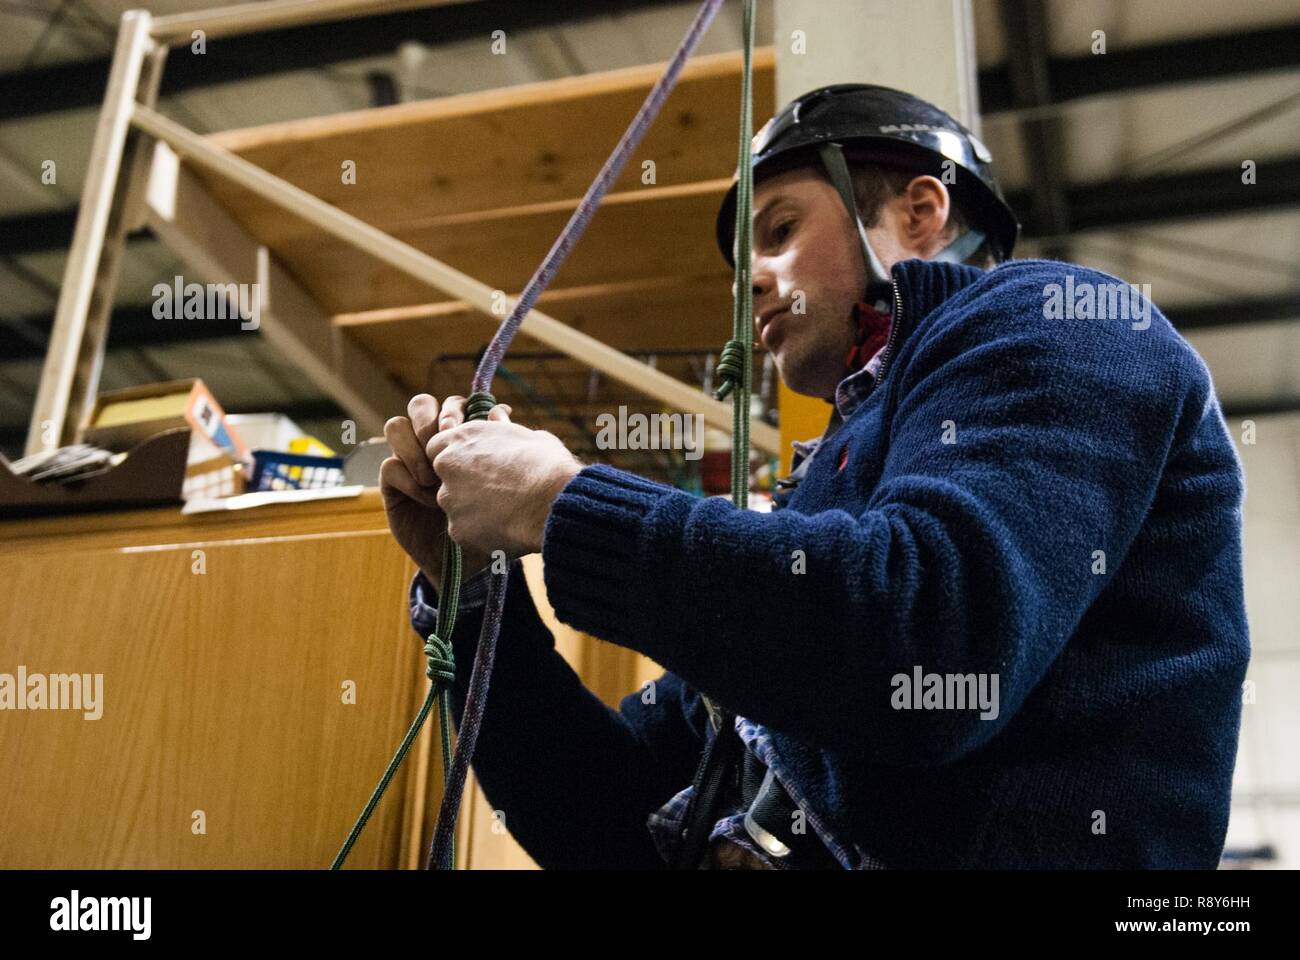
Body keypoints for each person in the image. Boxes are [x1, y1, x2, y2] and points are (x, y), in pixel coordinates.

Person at [380, 84, 1250, 869]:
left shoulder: (1058, 323)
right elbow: (604, 820)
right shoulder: (828, 496)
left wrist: (558, 502)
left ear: (922, 210)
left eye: (782, 230)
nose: (750, 281)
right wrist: (475, 599)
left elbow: (931, 640)